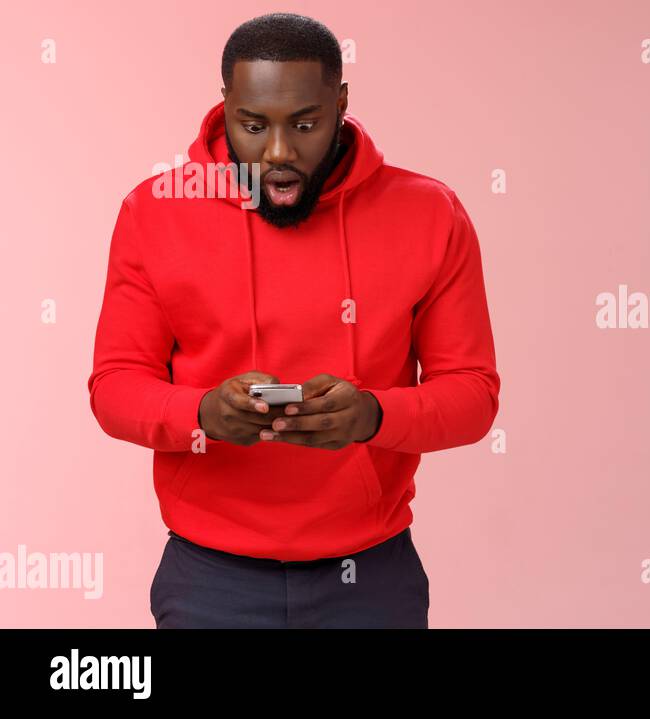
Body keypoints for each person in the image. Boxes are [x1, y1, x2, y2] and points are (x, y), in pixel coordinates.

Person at [86, 12, 501, 628]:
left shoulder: (430, 214)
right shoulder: (153, 214)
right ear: (224, 104)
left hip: (371, 577)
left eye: (305, 124)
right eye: (253, 126)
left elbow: (473, 394)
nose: (278, 152)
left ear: (341, 104)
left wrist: (373, 416)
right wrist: (200, 413)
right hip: (209, 578)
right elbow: (114, 385)